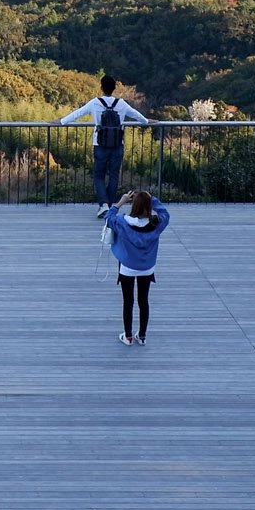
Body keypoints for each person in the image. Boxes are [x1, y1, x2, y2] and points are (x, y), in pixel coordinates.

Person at [59, 75, 149, 216]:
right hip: (117, 145)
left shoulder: (95, 102)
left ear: (101, 87)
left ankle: (104, 205)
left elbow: (77, 113)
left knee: (99, 175)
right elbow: (138, 116)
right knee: (114, 175)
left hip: (100, 144)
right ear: (114, 88)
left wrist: (61, 121)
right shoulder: (121, 104)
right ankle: (109, 205)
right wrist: (148, 121)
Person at [106, 190, 171, 346]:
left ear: (133, 206)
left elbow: (108, 218)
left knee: (128, 301)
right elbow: (166, 214)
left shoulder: (122, 222)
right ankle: (142, 335)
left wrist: (121, 202)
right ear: (149, 207)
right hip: (147, 267)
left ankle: (128, 336)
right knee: (144, 300)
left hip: (127, 266)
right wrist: (151, 199)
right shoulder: (157, 223)